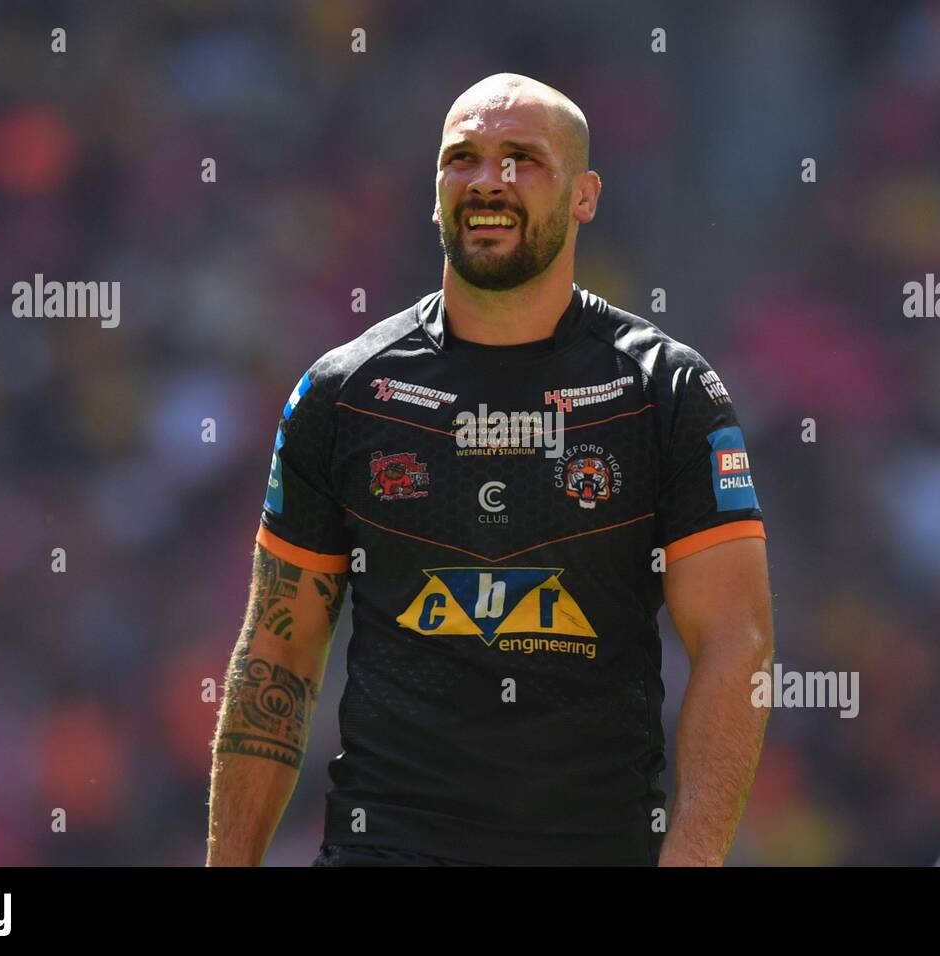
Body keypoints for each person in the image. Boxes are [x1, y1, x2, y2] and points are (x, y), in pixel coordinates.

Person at [206, 73, 774, 867]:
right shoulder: (343, 393)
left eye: (522, 159)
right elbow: (277, 654)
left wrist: (692, 858)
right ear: (435, 194)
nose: (488, 181)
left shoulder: (668, 391)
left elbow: (735, 642)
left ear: (586, 196)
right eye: (462, 158)